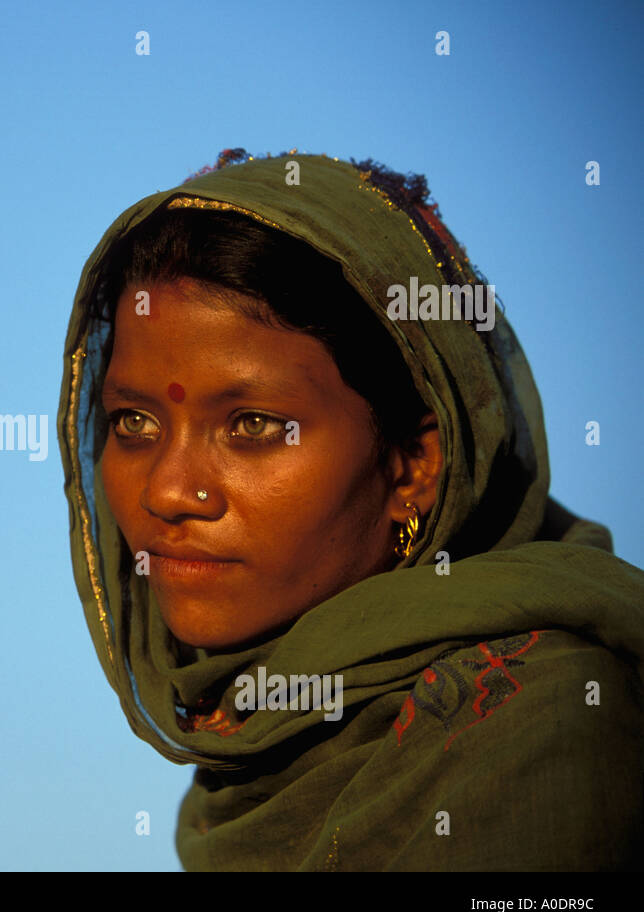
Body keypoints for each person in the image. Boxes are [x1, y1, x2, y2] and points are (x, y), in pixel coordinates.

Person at [56, 148, 644, 870]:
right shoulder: (243, 769)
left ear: (414, 466)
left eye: (252, 425)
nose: (169, 492)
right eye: (133, 423)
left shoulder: (544, 723)